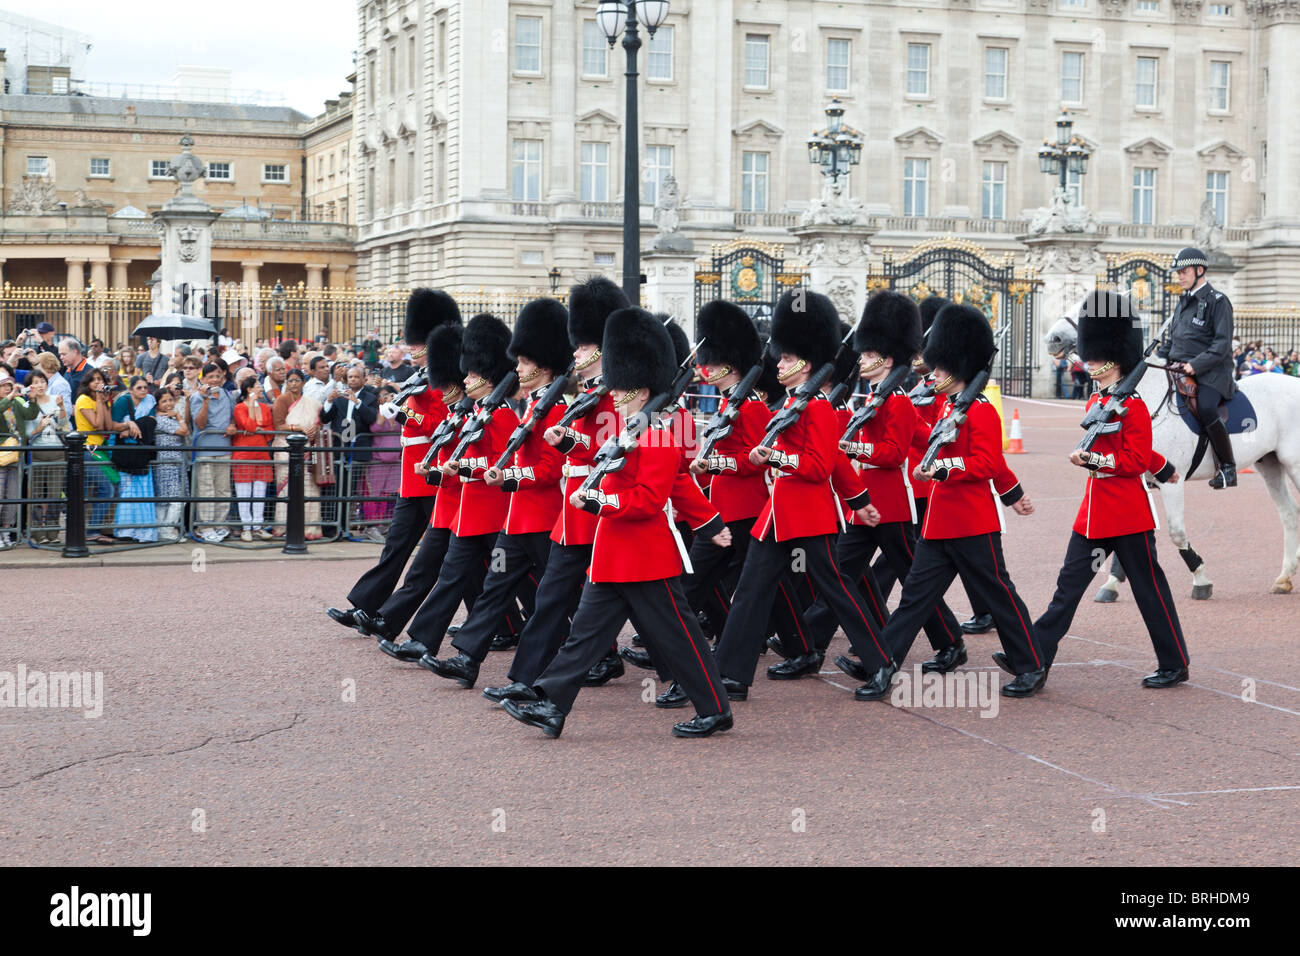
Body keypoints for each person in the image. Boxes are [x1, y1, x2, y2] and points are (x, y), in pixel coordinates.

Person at [500, 307, 734, 739]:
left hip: (646, 558)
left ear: (642, 392)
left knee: (681, 638)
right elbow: (682, 485)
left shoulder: (658, 436)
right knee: (583, 638)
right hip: (612, 557)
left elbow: (650, 499)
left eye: (624, 389)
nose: (616, 394)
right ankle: (552, 706)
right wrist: (711, 521)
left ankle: (716, 708)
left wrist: (599, 501)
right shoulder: (625, 433)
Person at [710, 290, 890, 702]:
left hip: (809, 516)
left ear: (805, 364)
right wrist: (861, 500)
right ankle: (731, 673)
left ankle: (881, 663)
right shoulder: (792, 404)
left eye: (787, 359)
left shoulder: (819, 408)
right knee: (752, 591)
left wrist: (775, 456)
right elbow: (838, 464)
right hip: (777, 516)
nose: (779, 363)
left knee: (839, 592)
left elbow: (820, 466)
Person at [859, 303, 1046, 700]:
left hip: (973, 523)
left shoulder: (980, 411)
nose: (933, 373)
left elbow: (987, 462)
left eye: (940, 368)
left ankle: (1031, 663)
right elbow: (931, 440)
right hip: (939, 525)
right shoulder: (947, 406)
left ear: (958, 366)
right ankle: (882, 666)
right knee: (913, 599)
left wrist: (951, 473)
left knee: (998, 595)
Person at [1030, 290, 1191, 690]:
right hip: (1093, 514)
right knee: (1066, 591)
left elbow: (1132, 460)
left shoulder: (1132, 405)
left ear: (1116, 360)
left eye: (1097, 358)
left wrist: (1097, 462)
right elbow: (1135, 450)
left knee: (1149, 593)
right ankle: (1032, 658)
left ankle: (1175, 663)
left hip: (1127, 516)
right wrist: (1164, 464)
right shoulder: (1098, 400)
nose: (1090, 362)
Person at [479, 277, 627, 703]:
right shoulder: (582, 393)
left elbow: (613, 449)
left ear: (600, 348)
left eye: (581, 348)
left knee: (647, 608)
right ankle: (528, 680)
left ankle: (690, 674)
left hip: (602, 507)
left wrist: (571, 443)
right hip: (573, 510)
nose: (575, 354)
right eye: (576, 348)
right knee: (551, 598)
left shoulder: (615, 396)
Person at [422, 296, 572, 687]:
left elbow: (549, 469)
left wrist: (508, 477)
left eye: (523, 362)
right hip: (516, 520)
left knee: (555, 598)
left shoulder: (555, 410)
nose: (517, 367)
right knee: (495, 587)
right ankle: (468, 659)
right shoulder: (531, 407)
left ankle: (584, 659)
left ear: (541, 365)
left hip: (541, 518)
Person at [1156, 246, 1237, 489]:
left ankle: (1228, 468)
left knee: (1206, 407)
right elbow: (1173, 340)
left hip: (1212, 373)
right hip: (1179, 368)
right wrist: (1156, 359)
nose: (1179, 276)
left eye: (1184, 271)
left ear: (1199, 270)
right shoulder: (1183, 302)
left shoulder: (1219, 301)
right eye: (1178, 272)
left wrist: (1195, 365)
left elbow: (1222, 343)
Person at [73, 368, 125, 545]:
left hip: (99, 450)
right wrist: (101, 403)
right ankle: (91, 531)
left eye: (100, 379)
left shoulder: (102, 400)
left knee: (106, 488)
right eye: (94, 380)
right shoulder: (83, 399)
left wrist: (103, 402)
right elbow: (96, 425)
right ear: (87, 383)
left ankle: (91, 530)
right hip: (88, 450)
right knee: (107, 489)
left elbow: (107, 426)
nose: (97, 382)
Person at [271, 369, 325, 539]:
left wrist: (313, 430)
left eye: (296, 380)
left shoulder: (312, 402)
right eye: (290, 381)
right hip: (285, 447)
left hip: (308, 447)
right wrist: (299, 428)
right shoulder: (282, 399)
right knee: (286, 489)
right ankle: (284, 527)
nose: (293, 384)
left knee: (308, 486)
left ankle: (309, 529)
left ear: (303, 382)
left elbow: (319, 423)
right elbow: (278, 426)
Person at [21, 370, 70, 544]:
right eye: (36, 382)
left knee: (55, 495)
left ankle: (53, 532)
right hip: (38, 454)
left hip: (57, 452)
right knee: (37, 495)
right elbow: (27, 434)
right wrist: (39, 428)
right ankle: (37, 531)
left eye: (42, 381)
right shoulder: (27, 407)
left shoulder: (55, 399)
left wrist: (62, 407)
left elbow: (64, 424)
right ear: (30, 386)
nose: (40, 385)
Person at [190, 361, 237, 542]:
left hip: (224, 447)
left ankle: (220, 524)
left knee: (223, 489)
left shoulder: (226, 393)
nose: (215, 380)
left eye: (218, 376)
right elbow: (200, 423)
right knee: (206, 490)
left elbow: (232, 416)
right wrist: (206, 400)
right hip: (204, 449)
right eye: (211, 377)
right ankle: (206, 526)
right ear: (203, 379)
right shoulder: (196, 398)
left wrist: (232, 425)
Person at [110, 376, 158, 543]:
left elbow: (151, 423)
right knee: (126, 491)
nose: (143, 390)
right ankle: (126, 531)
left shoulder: (150, 400)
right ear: (131, 389)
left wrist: (132, 425)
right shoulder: (123, 401)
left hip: (141, 451)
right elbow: (112, 425)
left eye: (145, 387)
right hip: (124, 450)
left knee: (144, 490)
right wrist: (128, 425)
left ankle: (143, 533)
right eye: (139, 387)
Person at [231, 377, 275, 542]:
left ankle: (257, 526)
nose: (261, 388)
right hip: (244, 454)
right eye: (258, 386)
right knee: (244, 493)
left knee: (259, 492)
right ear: (249, 389)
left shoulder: (264, 407)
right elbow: (248, 425)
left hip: (261, 453)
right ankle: (246, 527)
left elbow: (270, 429)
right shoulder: (239, 407)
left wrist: (257, 429)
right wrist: (258, 428)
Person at [0, 370, 40, 548]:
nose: (7, 389)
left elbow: (31, 414)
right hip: (1, 456)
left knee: (12, 497)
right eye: (3, 387)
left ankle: (6, 532)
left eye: (9, 386)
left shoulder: (17, 403)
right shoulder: (6, 402)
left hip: (17, 455)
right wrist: (9, 397)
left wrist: (32, 398)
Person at [360, 384, 402, 539]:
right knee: (374, 492)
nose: (387, 397)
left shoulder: (399, 412)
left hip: (395, 461)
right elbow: (376, 427)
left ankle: (384, 523)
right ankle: (371, 525)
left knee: (388, 492)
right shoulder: (377, 412)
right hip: (378, 461)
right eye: (383, 395)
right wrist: (384, 407)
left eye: (389, 395)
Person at [153, 387, 190, 542]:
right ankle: (166, 531)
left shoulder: (167, 418)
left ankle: (164, 530)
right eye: (164, 401)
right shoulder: (160, 419)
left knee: (169, 499)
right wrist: (179, 416)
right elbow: (184, 431)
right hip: (168, 463)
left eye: (170, 400)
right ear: (157, 404)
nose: (168, 403)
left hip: (174, 462)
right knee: (175, 499)